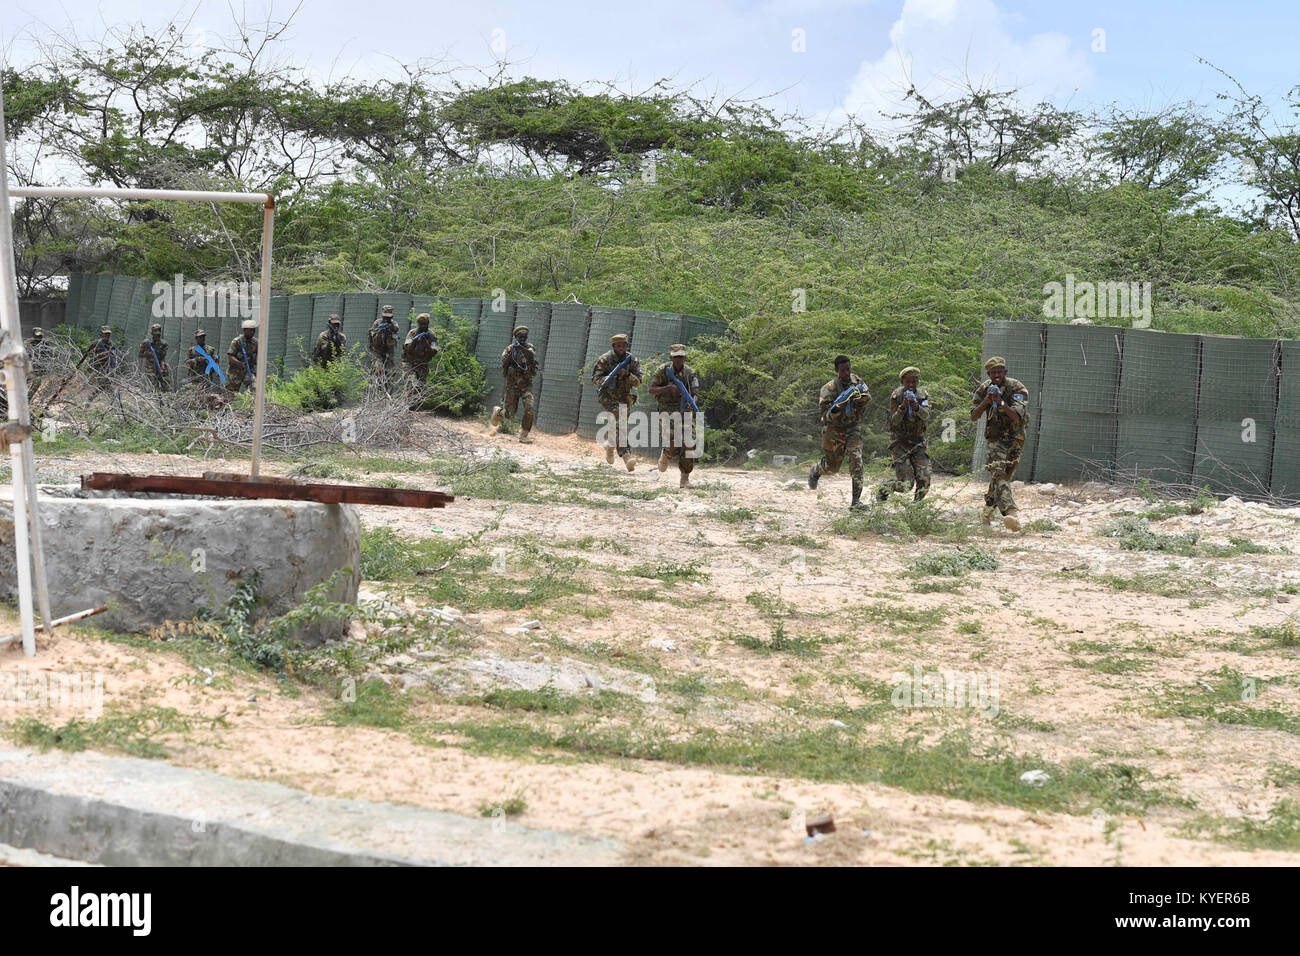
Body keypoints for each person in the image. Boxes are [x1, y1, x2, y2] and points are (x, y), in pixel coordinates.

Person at [971, 356, 1030, 531]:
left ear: (1005, 372)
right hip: (995, 440)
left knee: (1002, 478)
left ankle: (987, 512)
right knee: (998, 472)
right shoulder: (983, 389)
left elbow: (1017, 416)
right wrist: (987, 401)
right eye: (993, 372)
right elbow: (974, 416)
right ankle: (1011, 513)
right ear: (988, 374)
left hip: (1015, 438)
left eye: (1000, 371)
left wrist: (1000, 402)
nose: (997, 375)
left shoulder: (1017, 388)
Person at [808, 354, 871, 509]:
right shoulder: (828, 389)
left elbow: (868, 398)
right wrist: (837, 408)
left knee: (857, 462)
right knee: (832, 467)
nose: (847, 373)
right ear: (837, 370)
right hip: (834, 432)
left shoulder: (857, 381)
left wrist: (860, 398)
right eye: (843, 370)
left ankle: (855, 503)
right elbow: (825, 418)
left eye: (848, 369)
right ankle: (816, 470)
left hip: (852, 428)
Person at [648, 343, 701, 488]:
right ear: (671, 357)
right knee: (672, 444)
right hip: (667, 411)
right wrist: (669, 388)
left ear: (685, 357)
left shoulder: (690, 372)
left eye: (681, 357)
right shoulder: (663, 371)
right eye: (676, 357)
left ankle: (685, 479)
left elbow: (695, 394)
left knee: (689, 443)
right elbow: (651, 389)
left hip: (685, 412)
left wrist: (692, 402)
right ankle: (666, 455)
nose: (679, 360)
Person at [877, 365, 931, 502]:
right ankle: (886, 487)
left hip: (918, 443)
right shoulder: (897, 396)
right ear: (903, 382)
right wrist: (903, 407)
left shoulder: (923, 396)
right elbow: (894, 421)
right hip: (900, 444)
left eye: (914, 382)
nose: (911, 385)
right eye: (908, 382)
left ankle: (916, 508)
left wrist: (916, 407)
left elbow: (926, 416)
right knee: (906, 485)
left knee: (924, 479)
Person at [590, 332, 641, 471]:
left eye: (623, 345)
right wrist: (608, 379)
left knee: (619, 424)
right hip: (608, 397)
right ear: (613, 346)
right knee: (620, 422)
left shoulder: (632, 360)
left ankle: (610, 446)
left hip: (625, 398)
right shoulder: (605, 359)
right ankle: (626, 456)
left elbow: (638, 382)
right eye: (618, 346)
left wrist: (627, 375)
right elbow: (595, 379)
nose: (621, 348)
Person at [489, 325, 539, 443]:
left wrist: (523, 349)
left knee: (529, 408)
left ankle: (524, 435)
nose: (522, 339)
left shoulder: (530, 348)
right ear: (516, 337)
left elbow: (532, 355)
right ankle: (498, 412)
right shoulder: (510, 349)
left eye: (524, 337)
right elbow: (504, 361)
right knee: (510, 414)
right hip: (512, 386)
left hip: (526, 385)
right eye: (520, 337)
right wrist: (511, 354)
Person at [402, 312, 440, 394]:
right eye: (421, 324)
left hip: (422, 364)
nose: (423, 326)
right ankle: (406, 404)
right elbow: (408, 349)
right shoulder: (412, 333)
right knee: (411, 383)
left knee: (420, 389)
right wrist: (415, 341)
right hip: (410, 363)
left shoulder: (432, 335)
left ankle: (414, 404)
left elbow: (433, 352)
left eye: (425, 324)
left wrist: (426, 343)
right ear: (418, 324)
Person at [369, 305, 400, 387]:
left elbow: (396, 338)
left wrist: (391, 330)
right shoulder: (377, 323)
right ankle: (378, 389)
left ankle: (388, 392)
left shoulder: (394, 324)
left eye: (389, 317)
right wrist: (379, 331)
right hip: (377, 352)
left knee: (390, 373)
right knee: (379, 371)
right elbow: (372, 338)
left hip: (388, 352)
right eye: (385, 317)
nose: (387, 319)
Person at [227, 319, 258, 393]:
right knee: (231, 394)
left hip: (248, 371)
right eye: (250, 330)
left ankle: (252, 403)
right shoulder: (237, 341)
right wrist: (240, 364)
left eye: (253, 330)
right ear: (245, 330)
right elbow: (230, 357)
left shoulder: (255, 342)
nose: (252, 332)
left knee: (254, 387)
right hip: (235, 372)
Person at [138, 323, 170, 390]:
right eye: (155, 334)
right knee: (152, 386)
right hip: (150, 368)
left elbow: (162, 357)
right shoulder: (147, 342)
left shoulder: (163, 344)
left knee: (165, 385)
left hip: (160, 366)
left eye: (158, 334)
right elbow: (140, 355)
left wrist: (162, 367)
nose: (157, 336)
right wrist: (147, 355)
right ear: (152, 333)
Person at [88, 325, 120, 392]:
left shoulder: (111, 344)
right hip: (97, 366)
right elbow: (89, 353)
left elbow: (114, 355)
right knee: (103, 383)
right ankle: (92, 397)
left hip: (106, 366)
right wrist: (99, 355)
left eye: (108, 334)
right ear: (102, 334)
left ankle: (92, 397)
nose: (107, 335)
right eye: (106, 334)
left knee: (105, 384)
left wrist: (111, 356)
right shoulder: (97, 343)